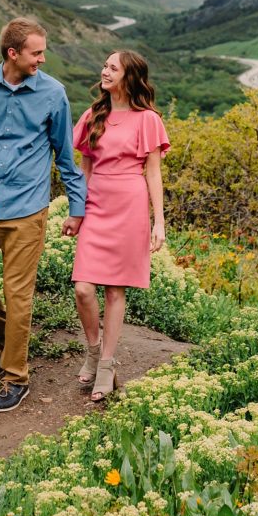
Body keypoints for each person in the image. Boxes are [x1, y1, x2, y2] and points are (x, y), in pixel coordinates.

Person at [0, 17, 87, 413]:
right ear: (12, 53)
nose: (42, 59)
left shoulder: (54, 94)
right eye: (36, 52)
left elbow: (65, 157)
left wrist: (77, 208)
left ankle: (16, 375)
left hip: (28, 207)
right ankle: (6, 341)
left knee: (18, 294)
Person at [62, 50, 170, 402]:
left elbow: (153, 171)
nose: (104, 71)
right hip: (96, 204)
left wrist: (159, 222)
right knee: (82, 288)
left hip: (131, 205)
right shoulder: (94, 115)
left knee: (115, 291)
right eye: (104, 65)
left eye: (113, 67)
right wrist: (77, 212)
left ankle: (106, 365)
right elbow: (85, 169)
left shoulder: (148, 119)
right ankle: (93, 351)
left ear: (129, 76)